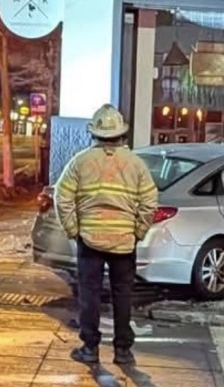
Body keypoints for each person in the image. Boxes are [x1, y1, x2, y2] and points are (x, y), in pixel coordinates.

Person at [56, 105, 158, 366]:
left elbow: (62, 198)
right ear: (122, 134)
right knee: (122, 294)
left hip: (90, 240)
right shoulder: (136, 164)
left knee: (89, 294)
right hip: (124, 241)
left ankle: (90, 347)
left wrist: (73, 229)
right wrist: (138, 231)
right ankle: (122, 350)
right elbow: (149, 202)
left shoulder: (80, 161)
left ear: (94, 133)